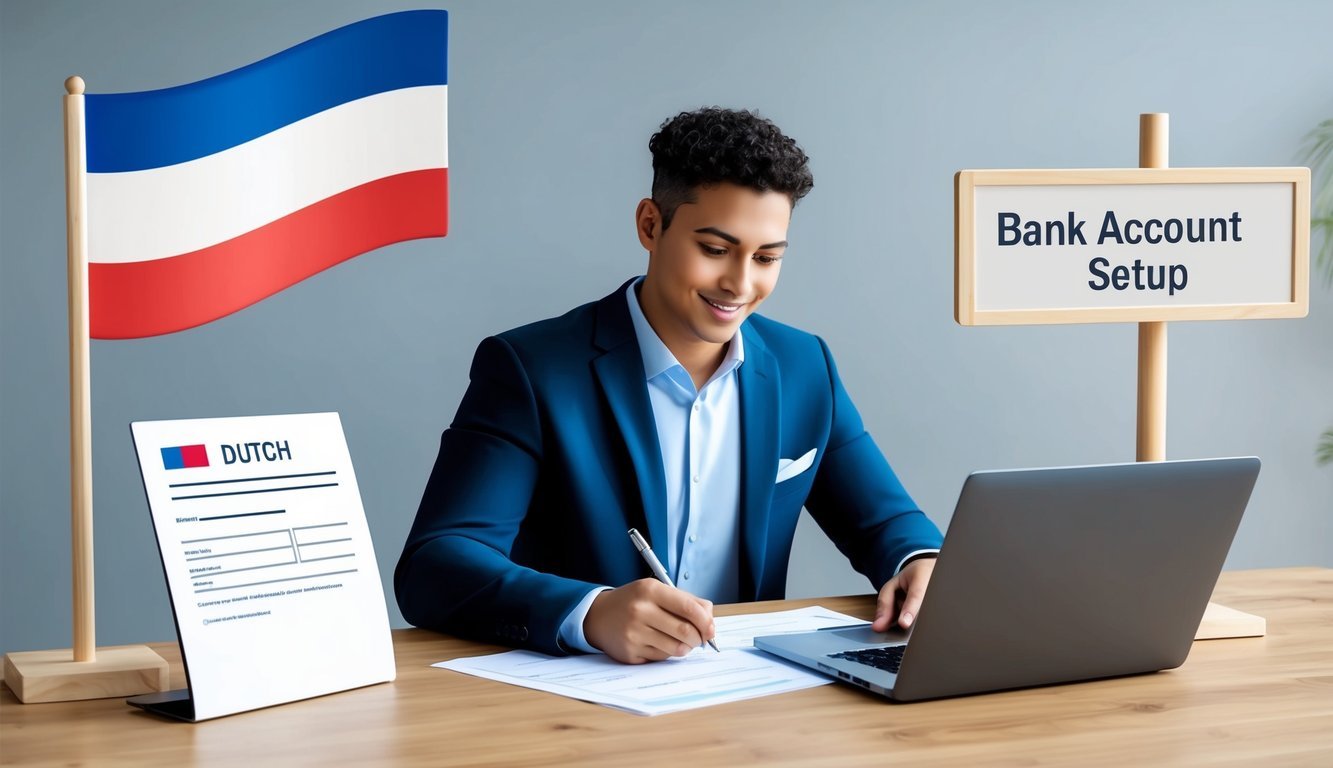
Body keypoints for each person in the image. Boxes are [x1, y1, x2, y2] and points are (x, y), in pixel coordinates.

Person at [396, 107, 942, 664]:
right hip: (579, 705)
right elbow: (437, 563)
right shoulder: (530, 367)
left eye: (767, 258)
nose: (740, 283)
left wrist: (918, 562)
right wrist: (588, 612)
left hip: (748, 701)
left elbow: (890, 521)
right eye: (714, 249)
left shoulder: (805, 365)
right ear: (651, 226)